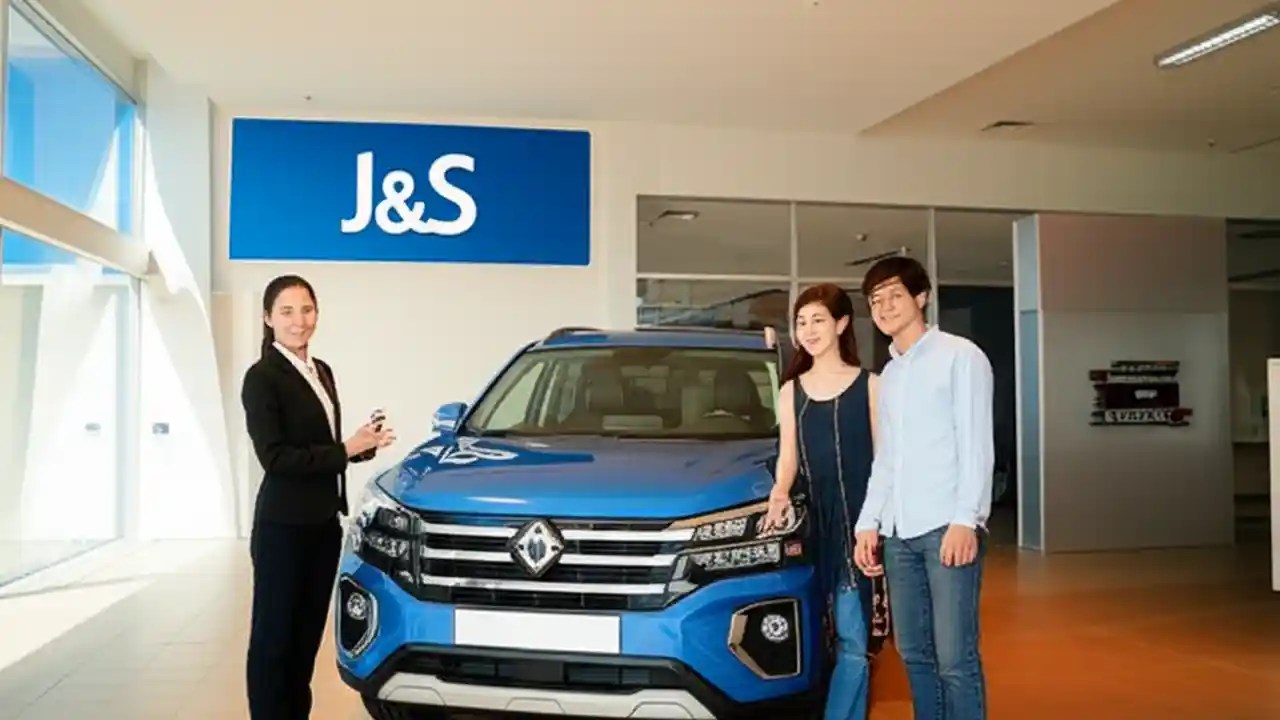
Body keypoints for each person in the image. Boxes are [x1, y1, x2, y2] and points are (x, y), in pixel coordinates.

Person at [241, 274, 395, 719]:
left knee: (305, 639)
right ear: (268, 318)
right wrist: (343, 449)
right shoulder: (262, 377)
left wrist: (360, 446)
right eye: (286, 311)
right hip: (283, 527)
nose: (299, 320)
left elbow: (324, 449)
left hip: (323, 525)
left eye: (306, 310)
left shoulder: (321, 370)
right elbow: (277, 458)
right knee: (274, 643)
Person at [852, 256, 994, 720]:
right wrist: (868, 522)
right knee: (914, 653)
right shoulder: (890, 375)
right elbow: (887, 458)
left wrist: (966, 520)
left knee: (955, 659)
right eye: (876, 300)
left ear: (921, 297)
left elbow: (976, 444)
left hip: (945, 527)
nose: (885, 305)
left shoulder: (961, 355)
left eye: (895, 294)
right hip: (899, 534)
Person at [764, 283, 886, 720]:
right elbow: (788, 459)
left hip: (859, 527)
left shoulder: (871, 386)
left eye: (818, 319)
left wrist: (874, 525)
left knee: (855, 641)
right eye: (801, 322)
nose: (809, 329)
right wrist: (779, 493)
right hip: (811, 529)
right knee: (815, 640)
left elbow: (886, 461)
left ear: (841, 324)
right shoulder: (791, 390)